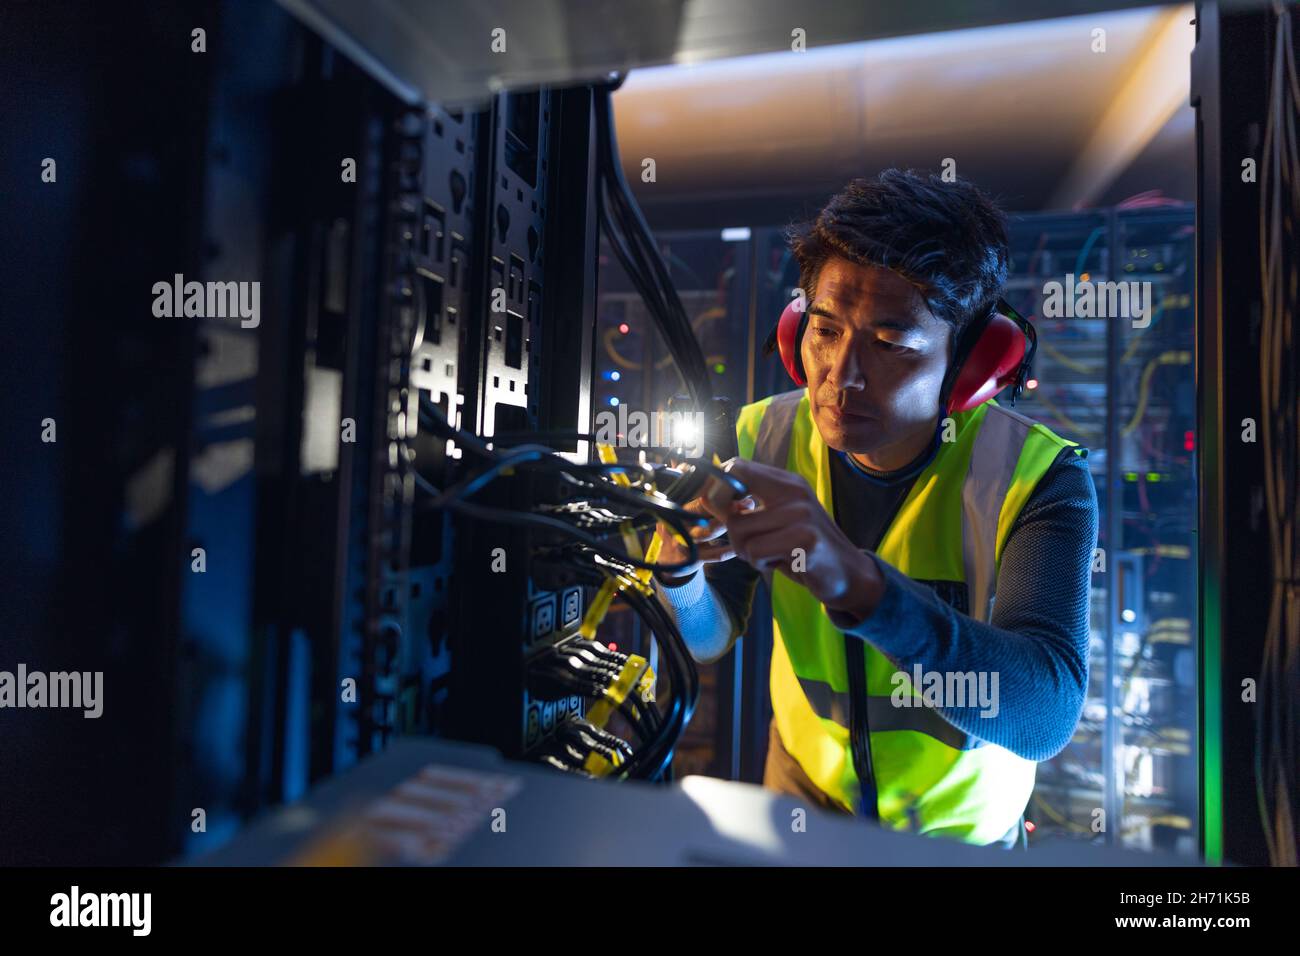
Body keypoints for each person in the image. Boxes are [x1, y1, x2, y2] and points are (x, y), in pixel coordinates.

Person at [654, 170, 1098, 847]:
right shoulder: (762, 439)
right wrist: (677, 571)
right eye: (825, 331)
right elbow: (709, 638)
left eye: (889, 344)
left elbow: (1043, 716)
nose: (841, 374)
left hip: (959, 838)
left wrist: (859, 585)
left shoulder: (1035, 479)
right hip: (799, 798)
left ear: (972, 365)